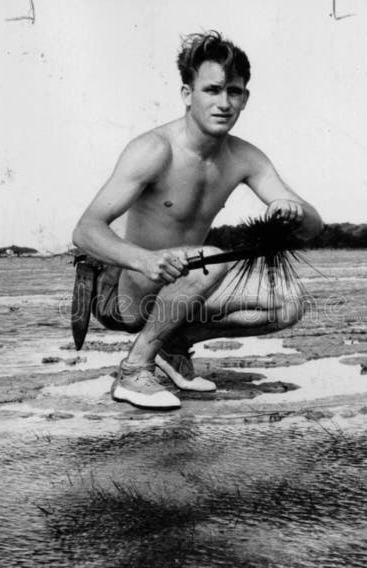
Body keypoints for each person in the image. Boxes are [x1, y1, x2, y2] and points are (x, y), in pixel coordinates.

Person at [72, 31, 323, 410]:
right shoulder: (154, 149)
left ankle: (171, 346)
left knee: (289, 304)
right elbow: (85, 230)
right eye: (212, 90)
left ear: (245, 98)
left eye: (234, 92)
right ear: (188, 94)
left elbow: (313, 227)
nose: (224, 103)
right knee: (206, 260)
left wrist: (292, 211)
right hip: (127, 291)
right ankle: (133, 371)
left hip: (186, 287)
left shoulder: (245, 157)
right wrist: (144, 259)